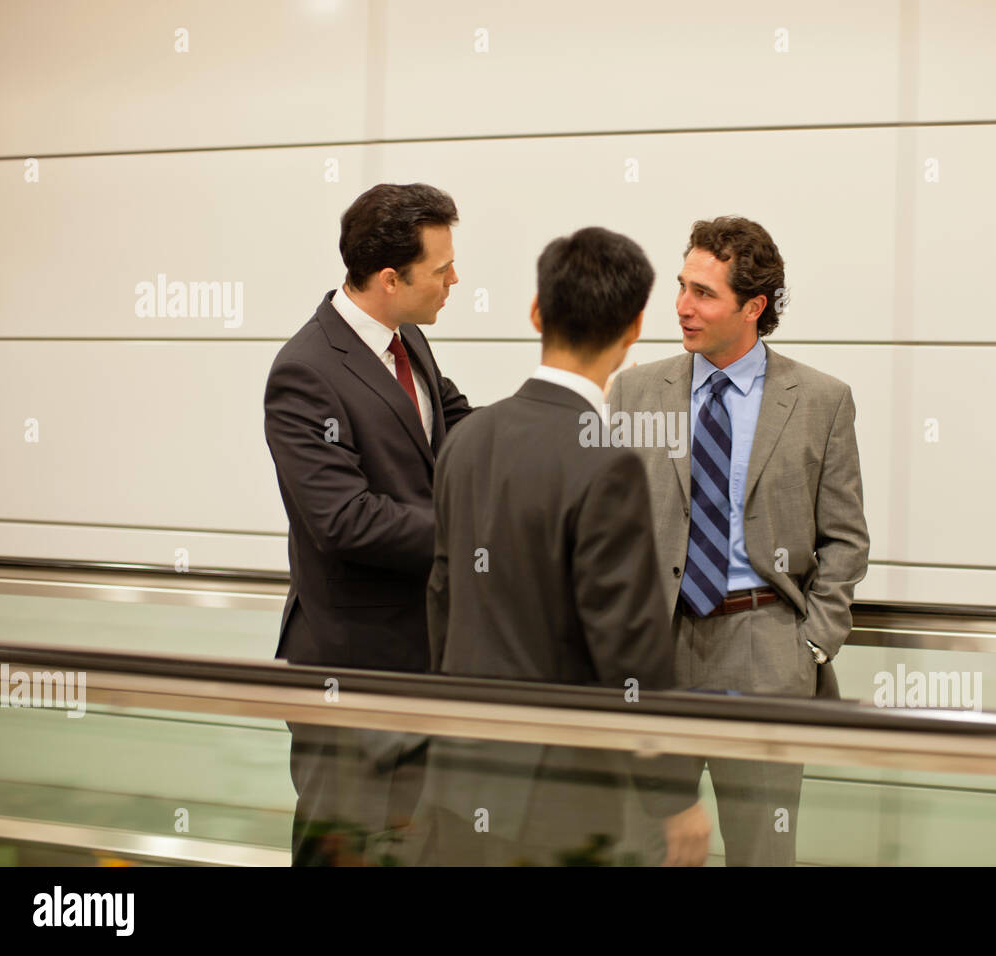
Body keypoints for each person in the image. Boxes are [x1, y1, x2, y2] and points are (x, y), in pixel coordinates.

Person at [420, 226, 710, 866]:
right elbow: (627, 643)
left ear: (536, 312)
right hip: (556, 798)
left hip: (457, 775)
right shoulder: (607, 464)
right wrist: (673, 796)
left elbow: (443, 601)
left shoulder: (466, 440)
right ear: (634, 327)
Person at [606, 216, 870, 866]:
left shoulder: (820, 401)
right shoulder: (637, 391)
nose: (681, 307)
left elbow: (845, 540)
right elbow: (607, 526)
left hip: (764, 653)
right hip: (654, 652)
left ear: (753, 306)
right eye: (682, 285)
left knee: (761, 851)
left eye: (703, 293)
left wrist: (809, 643)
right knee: (644, 846)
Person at [263, 182, 472, 865]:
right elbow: (343, 520)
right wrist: (473, 537)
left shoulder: (408, 337)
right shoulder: (304, 371)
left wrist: (546, 430)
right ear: (390, 279)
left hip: (421, 666)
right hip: (347, 675)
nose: (453, 279)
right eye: (441, 269)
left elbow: (457, 425)